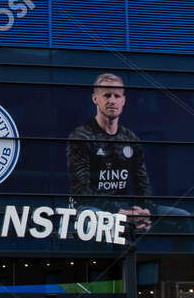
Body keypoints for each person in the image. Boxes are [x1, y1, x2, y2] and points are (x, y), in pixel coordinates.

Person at [65, 72, 187, 233]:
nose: (112, 100)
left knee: (183, 217)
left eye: (117, 96)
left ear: (123, 100)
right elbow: (82, 192)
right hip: (90, 208)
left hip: (125, 208)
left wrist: (145, 210)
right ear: (95, 99)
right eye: (107, 95)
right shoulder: (81, 136)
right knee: (102, 223)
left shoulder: (130, 138)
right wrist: (120, 213)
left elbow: (142, 182)